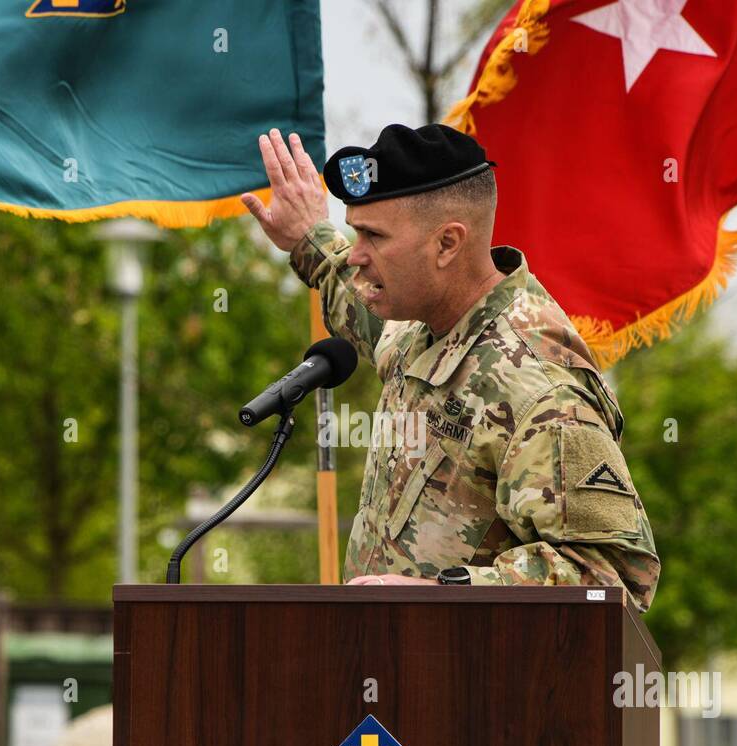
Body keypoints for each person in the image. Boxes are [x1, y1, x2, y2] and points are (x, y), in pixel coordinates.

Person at [241, 123, 659, 610]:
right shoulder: (424, 328)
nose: (356, 255)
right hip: (398, 664)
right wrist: (307, 239)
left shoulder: (537, 388)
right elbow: (357, 307)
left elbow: (612, 573)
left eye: (373, 236)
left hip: (473, 675)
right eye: (355, 231)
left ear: (446, 245)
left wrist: (441, 596)